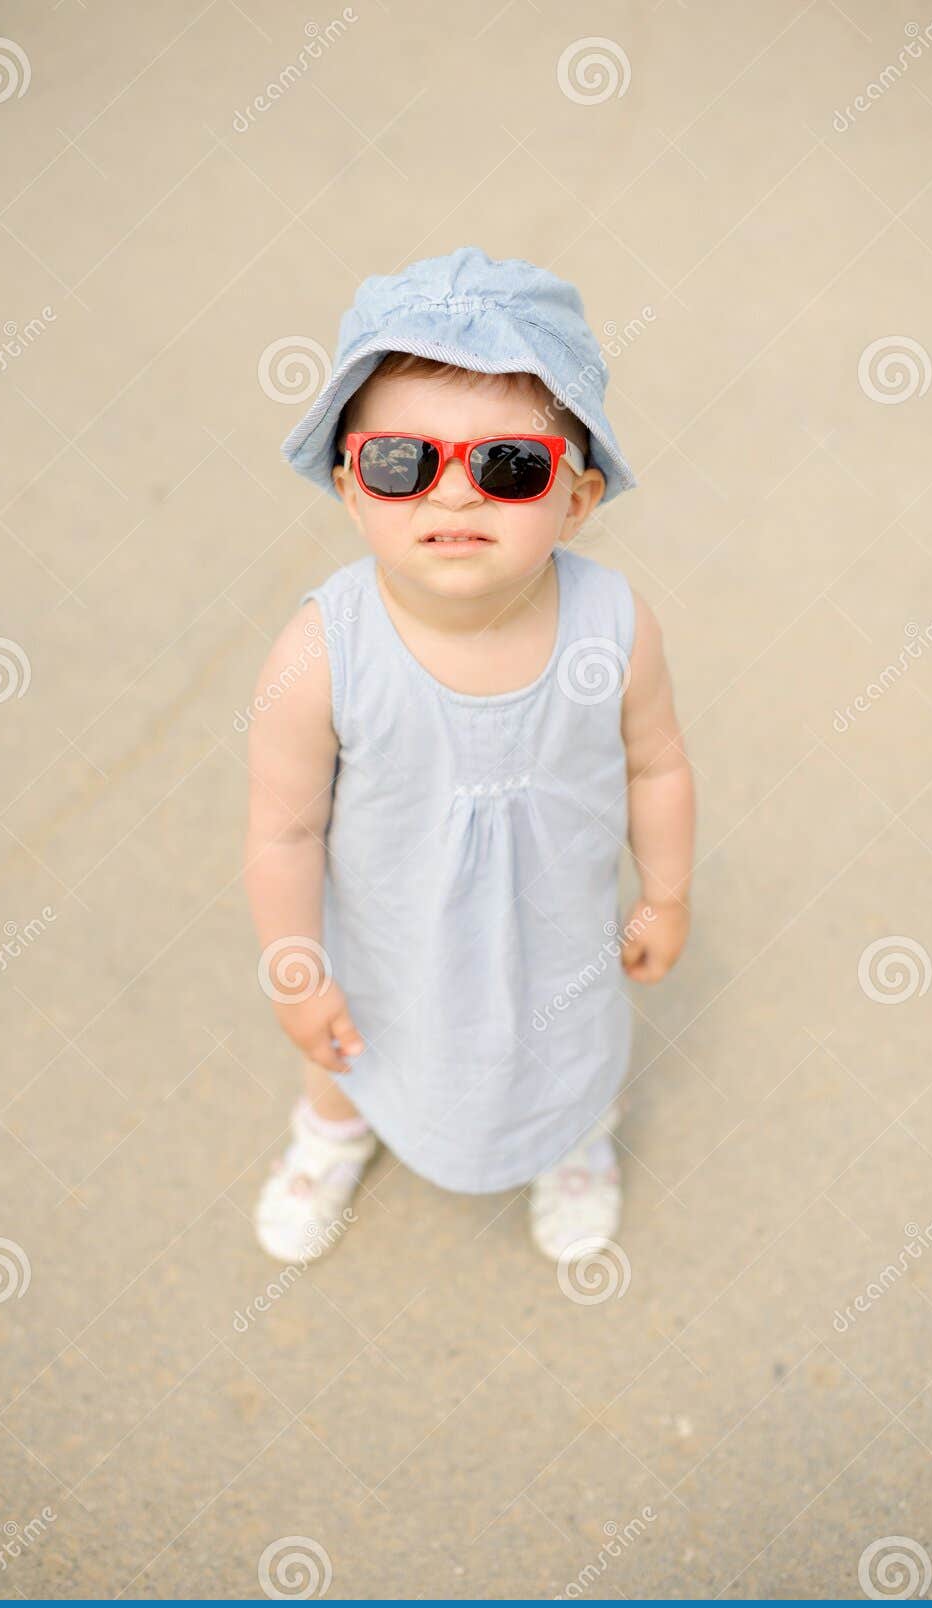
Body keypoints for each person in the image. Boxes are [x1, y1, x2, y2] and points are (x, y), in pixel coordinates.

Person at [243, 247, 694, 1267]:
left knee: (572, 1045)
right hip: (389, 938)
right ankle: (332, 1129)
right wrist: (295, 962)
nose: (454, 497)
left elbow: (656, 765)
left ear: (575, 499)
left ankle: (573, 1137)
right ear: (352, 485)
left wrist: (664, 893)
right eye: (404, 463)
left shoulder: (612, 625)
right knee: (349, 1043)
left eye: (508, 465)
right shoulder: (322, 653)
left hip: (559, 932)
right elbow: (284, 827)